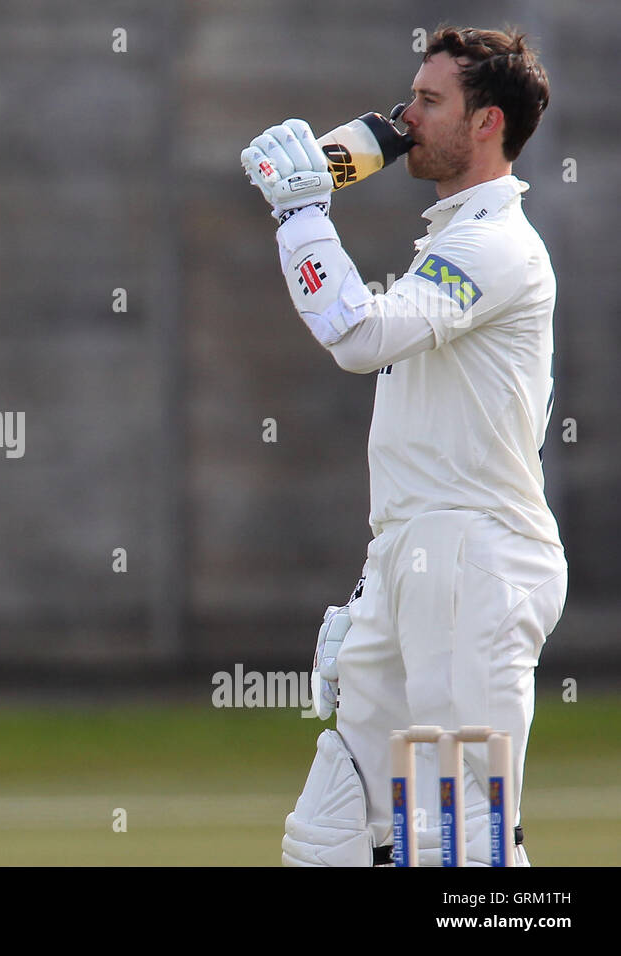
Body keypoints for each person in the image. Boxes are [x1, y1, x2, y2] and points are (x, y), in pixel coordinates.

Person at [241, 27, 564, 865]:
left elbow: (357, 334)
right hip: (410, 551)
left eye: (428, 102)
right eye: (409, 96)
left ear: (486, 123)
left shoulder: (497, 246)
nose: (402, 116)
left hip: (478, 557)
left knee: (459, 841)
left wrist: (304, 212)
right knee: (332, 836)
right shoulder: (447, 240)